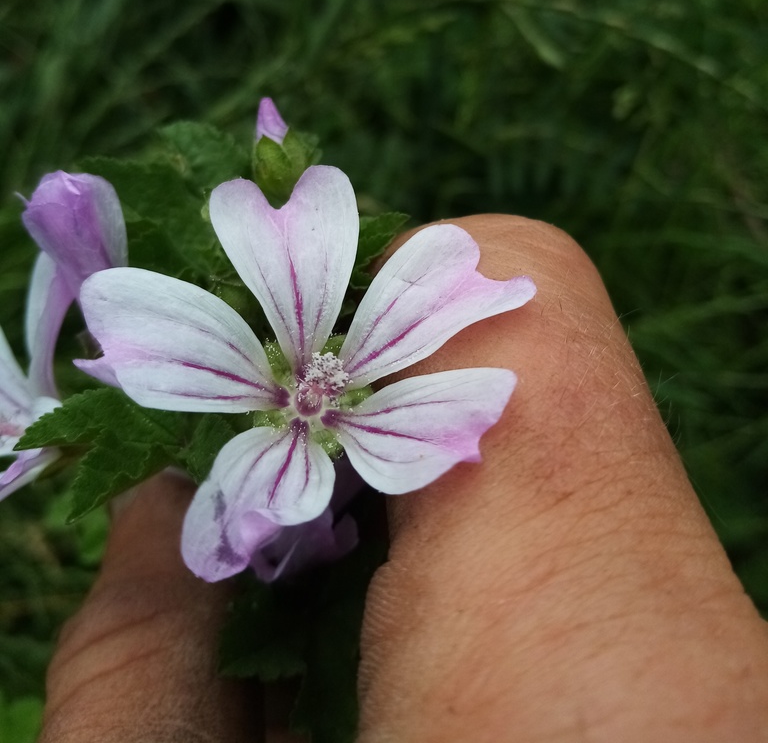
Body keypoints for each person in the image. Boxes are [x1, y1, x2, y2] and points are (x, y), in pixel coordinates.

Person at [36, 216, 768, 742]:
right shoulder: (289, 415)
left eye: (314, 382)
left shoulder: (323, 398)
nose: (308, 389)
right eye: (301, 382)